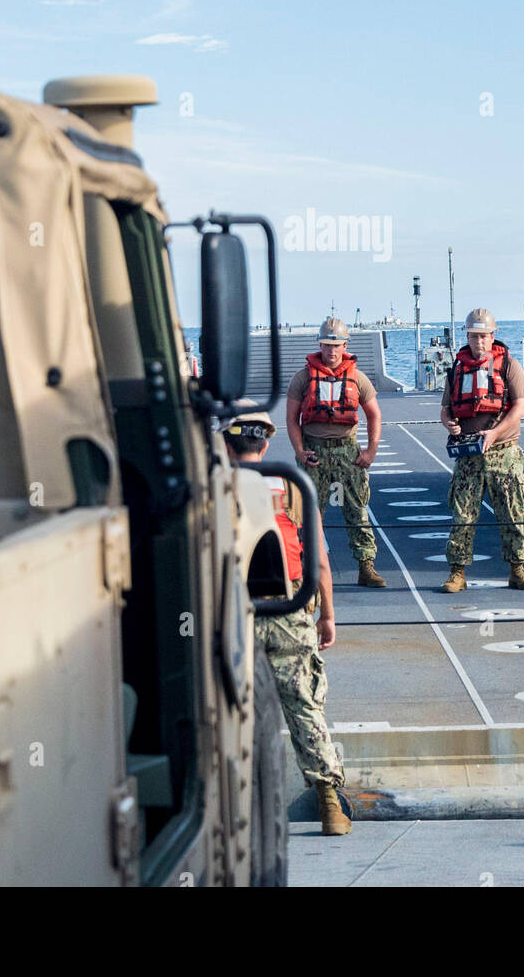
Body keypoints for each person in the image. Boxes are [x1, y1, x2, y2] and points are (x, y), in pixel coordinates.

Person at [224, 411, 351, 836]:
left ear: (226, 445)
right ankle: (330, 806)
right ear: (265, 445)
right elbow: (319, 561)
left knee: (223, 708)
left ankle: (231, 809)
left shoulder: (209, 490)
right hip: (288, 610)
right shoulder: (293, 487)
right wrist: (327, 615)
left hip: (229, 614)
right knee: (303, 704)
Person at [439, 307, 524, 593]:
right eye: (474, 336)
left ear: (493, 336)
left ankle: (517, 569)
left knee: (511, 513)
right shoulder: (457, 369)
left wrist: (494, 433)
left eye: (484, 336)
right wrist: (450, 425)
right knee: (462, 515)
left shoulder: (509, 366)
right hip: (468, 455)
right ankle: (457, 573)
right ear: (467, 336)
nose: (479, 341)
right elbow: (445, 410)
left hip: (503, 453)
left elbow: (521, 405)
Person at [286, 318, 386, 588]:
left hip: (347, 454)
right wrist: (300, 450)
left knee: (356, 511)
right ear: (319, 344)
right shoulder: (304, 377)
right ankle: (305, 571)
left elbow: (374, 414)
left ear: (345, 345)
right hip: (314, 453)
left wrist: (371, 451)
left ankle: (366, 567)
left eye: (337, 345)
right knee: (308, 513)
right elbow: (291, 417)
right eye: (327, 344)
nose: (332, 350)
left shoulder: (357, 377)